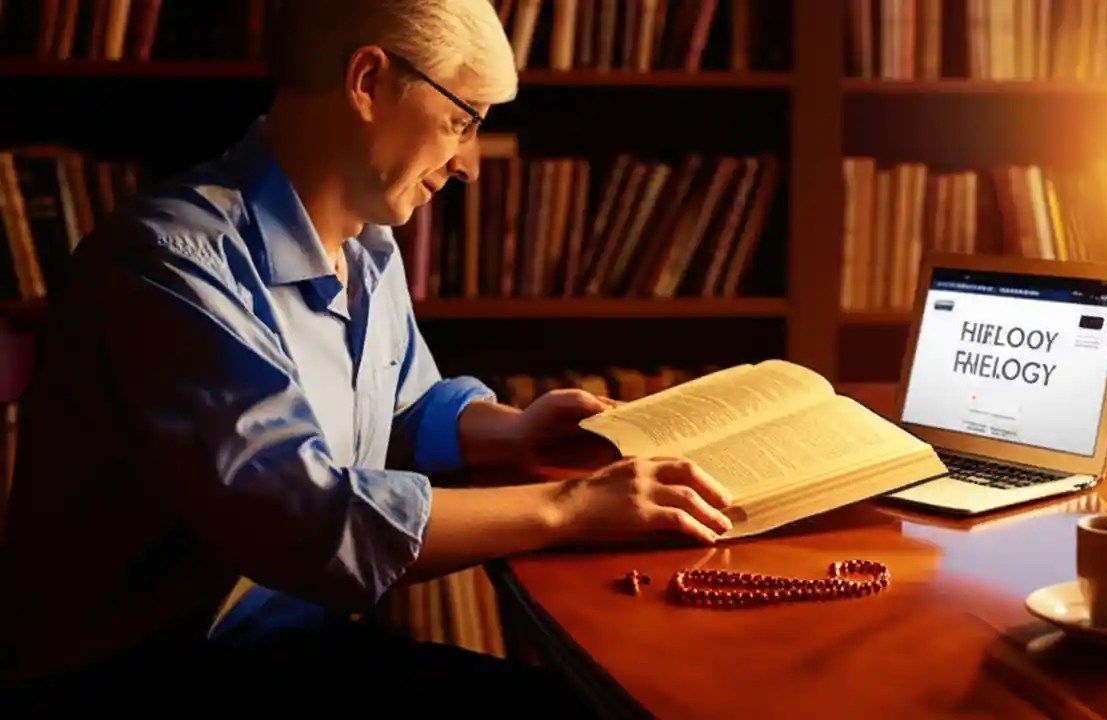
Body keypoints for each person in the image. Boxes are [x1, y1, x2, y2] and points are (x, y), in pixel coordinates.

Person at [0, 1, 734, 714]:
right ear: (369, 82)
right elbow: (310, 522)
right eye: (462, 121)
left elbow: (399, 405)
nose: (470, 165)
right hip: (137, 671)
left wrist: (507, 428)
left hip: (286, 642)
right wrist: (569, 509)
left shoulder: (366, 247)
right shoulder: (168, 265)